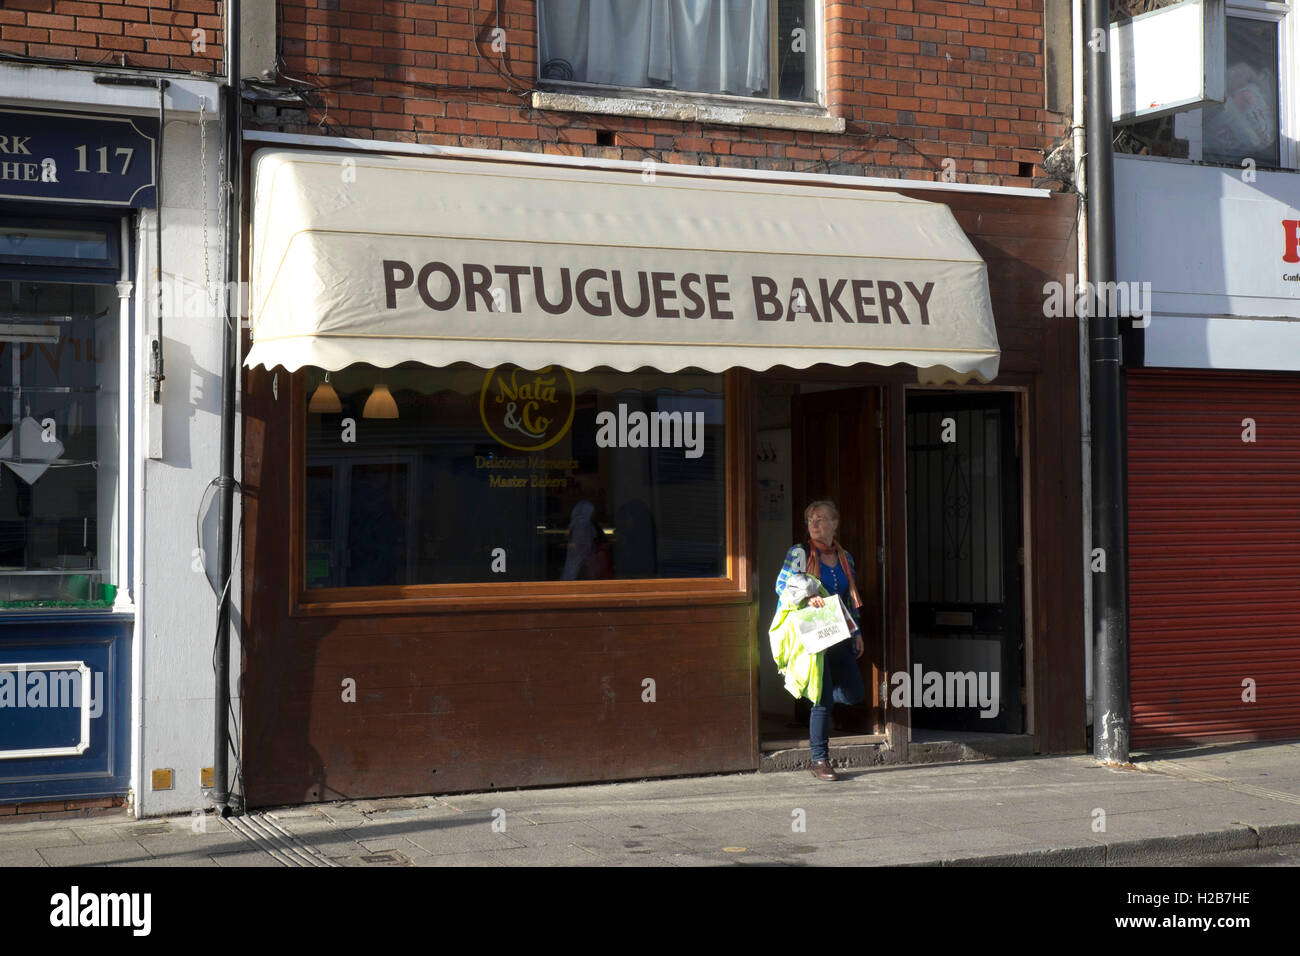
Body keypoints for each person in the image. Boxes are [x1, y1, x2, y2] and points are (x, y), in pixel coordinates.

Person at [772, 499, 866, 781]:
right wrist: (807, 593)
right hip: (812, 635)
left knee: (854, 693)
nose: (814, 524)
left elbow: (849, 597)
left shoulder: (844, 557)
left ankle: (819, 697)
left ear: (834, 524)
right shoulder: (800, 553)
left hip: (839, 631)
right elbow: (781, 585)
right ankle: (820, 760)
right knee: (822, 699)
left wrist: (857, 632)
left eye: (821, 518)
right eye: (810, 519)